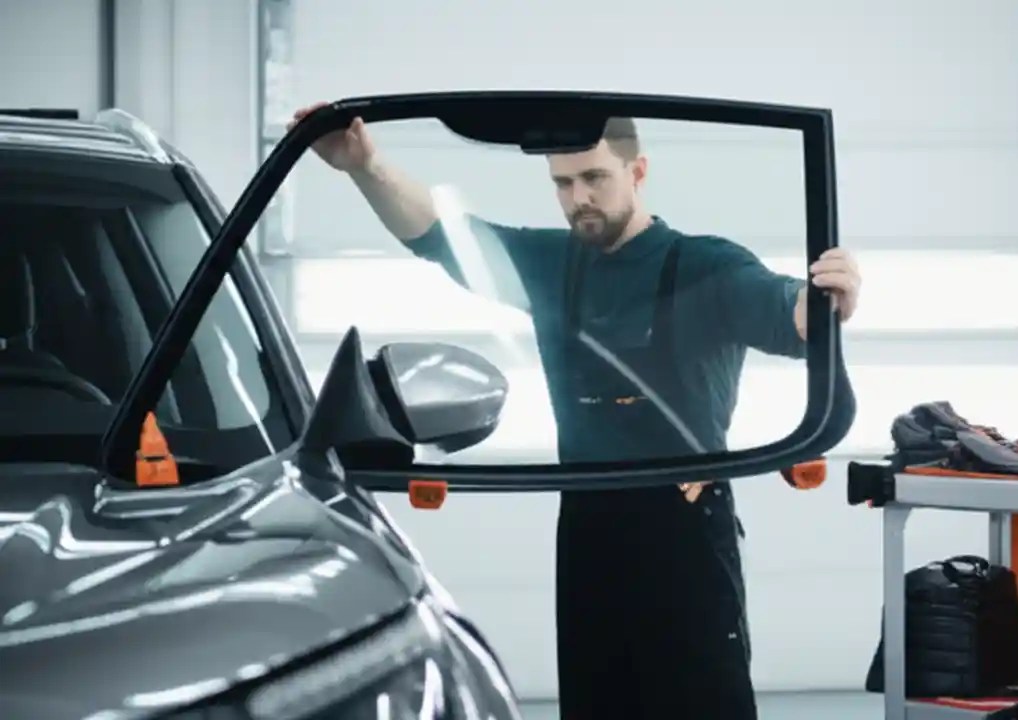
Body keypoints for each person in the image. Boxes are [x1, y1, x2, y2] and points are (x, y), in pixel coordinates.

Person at [289, 103, 861, 719]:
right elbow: (437, 232)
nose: (578, 197)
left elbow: (790, 316)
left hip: (686, 532)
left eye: (595, 178)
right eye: (563, 183)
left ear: (637, 172)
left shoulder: (708, 266)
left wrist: (831, 297)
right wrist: (365, 166)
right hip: (589, 525)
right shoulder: (549, 264)